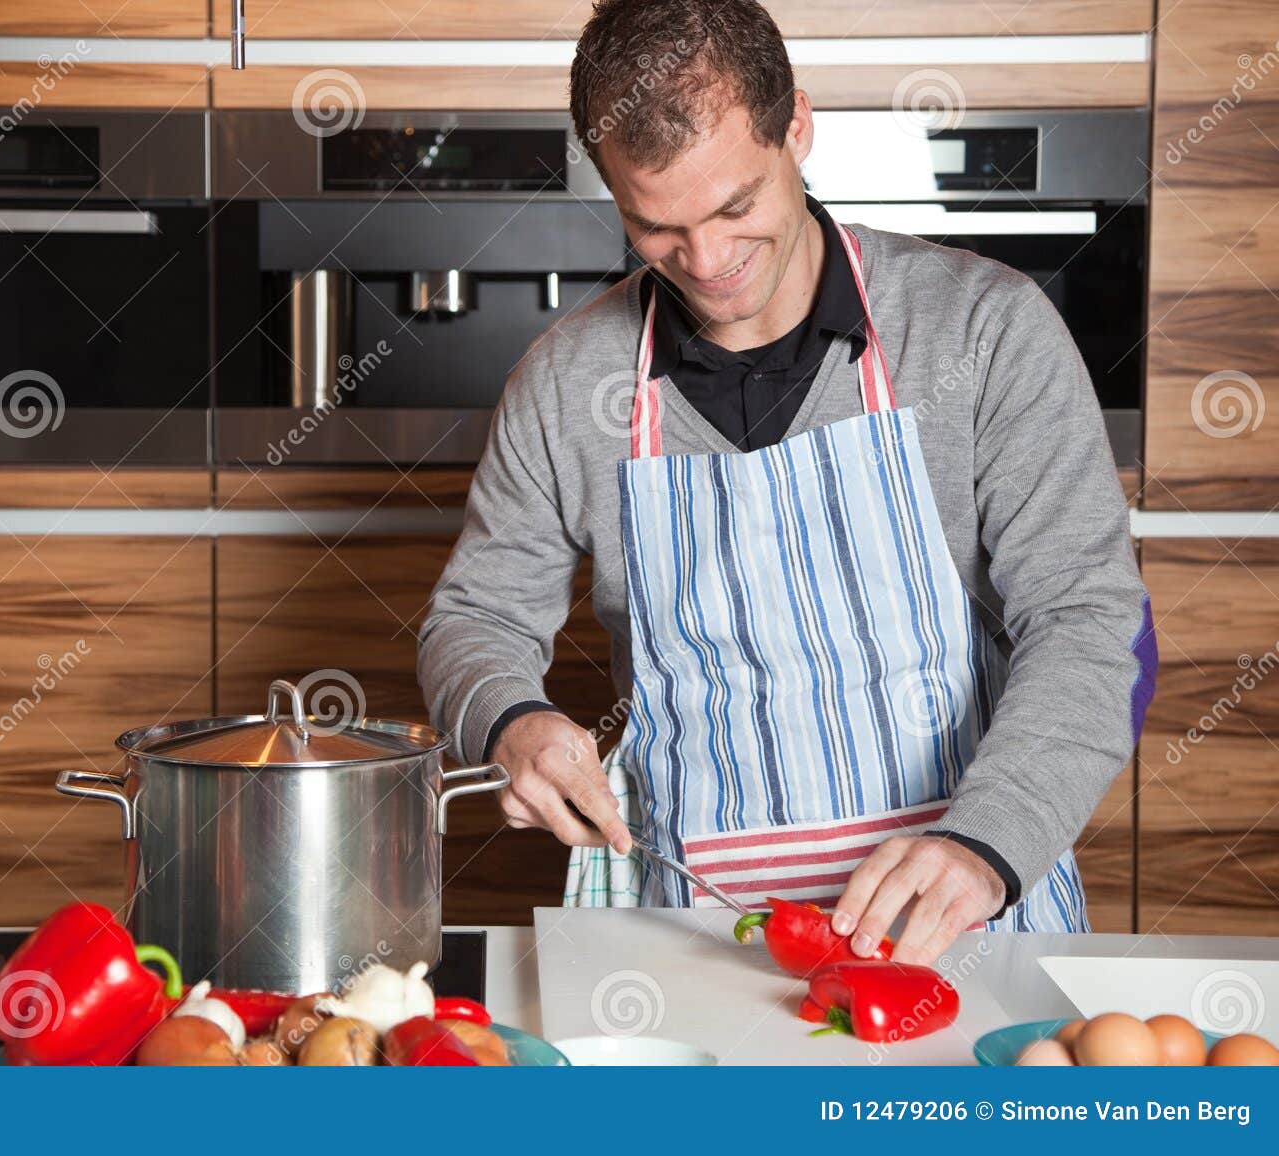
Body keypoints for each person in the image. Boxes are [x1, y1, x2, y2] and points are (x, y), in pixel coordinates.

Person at [417, 0, 1156, 964]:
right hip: (692, 932)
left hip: (966, 918)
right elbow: (473, 621)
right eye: (657, 228)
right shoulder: (567, 383)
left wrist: (988, 845)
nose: (709, 264)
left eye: (735, 207)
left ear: (797, 124)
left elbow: (1094, 622)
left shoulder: (984, 333)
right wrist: (512, 720)